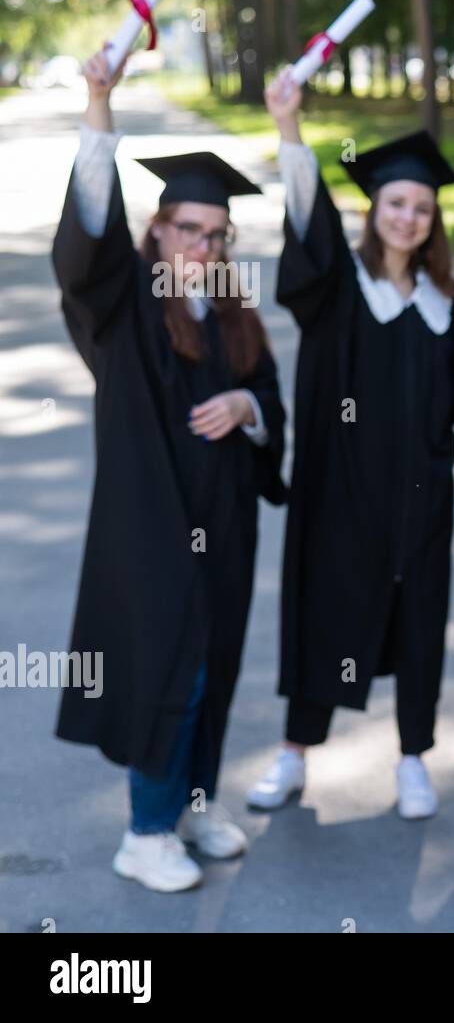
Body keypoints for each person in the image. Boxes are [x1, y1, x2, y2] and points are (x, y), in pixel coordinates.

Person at [53, 45, 286, 892]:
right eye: (189, 229)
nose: (204, 243)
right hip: (149, 531)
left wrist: (249, 410)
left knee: (214, 665)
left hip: (224, 523)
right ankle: (144, 831)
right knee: (167, 671)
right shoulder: (125, 309)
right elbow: (84, 249)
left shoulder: (231, 314)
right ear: (158, 230)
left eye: (218, 234)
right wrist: (99, 109)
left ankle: (192, 802)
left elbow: (269, 395)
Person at [245, 69, 454, 820]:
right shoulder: (336, 288)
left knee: (420, 620)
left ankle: (413, 760)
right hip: (337, 493)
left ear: (434, 219)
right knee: (321, 611)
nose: (409, 216)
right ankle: (294, 755)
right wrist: (289, 127)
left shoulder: (446, 306)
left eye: (422, 207)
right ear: (374, 208)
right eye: (396, 202)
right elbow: (307, 219)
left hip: (420, 502)